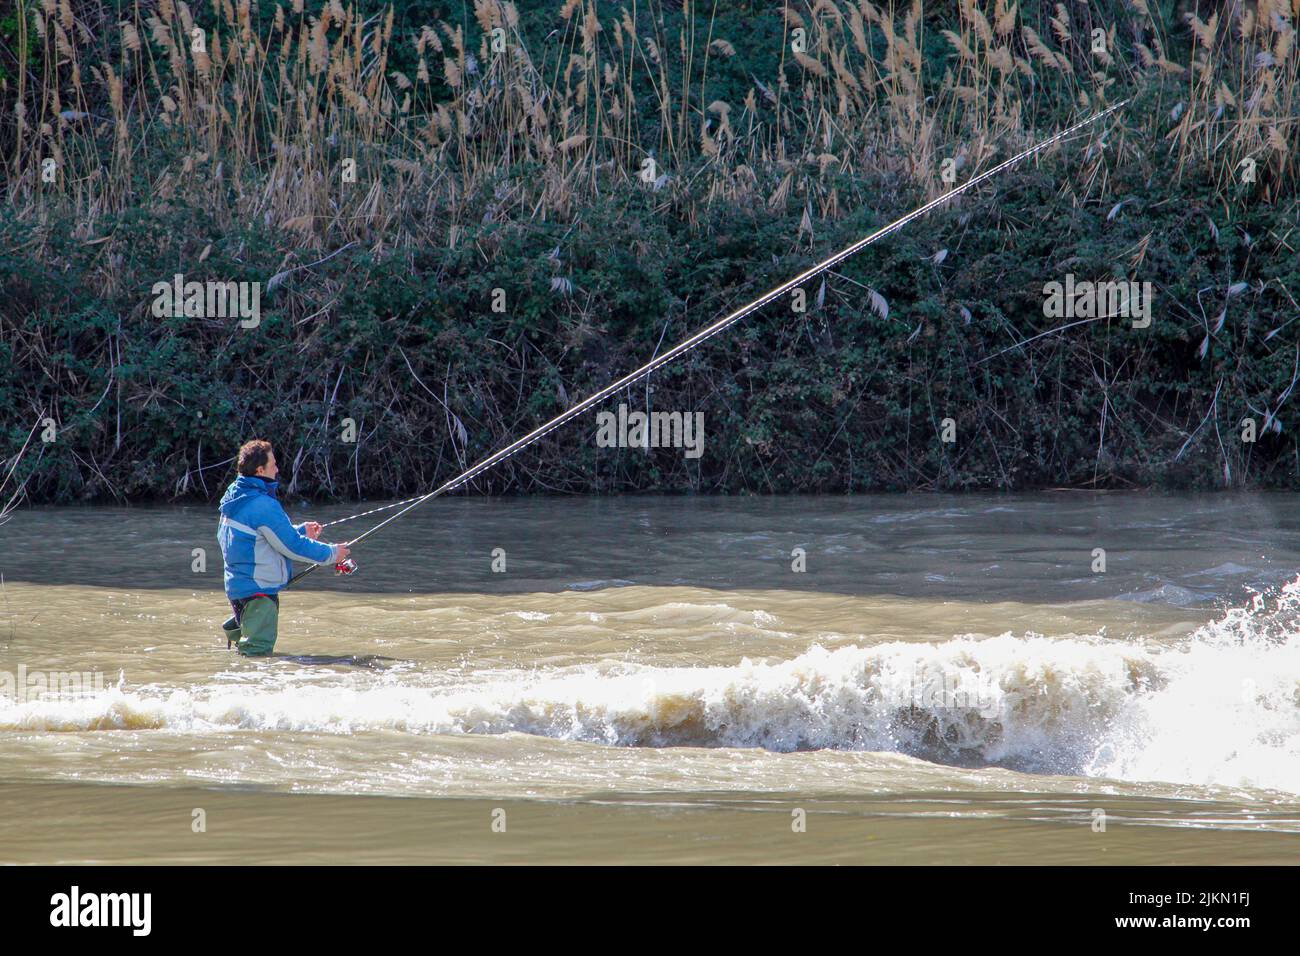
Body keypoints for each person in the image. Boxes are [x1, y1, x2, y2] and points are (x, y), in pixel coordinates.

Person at [217, 439, 350, 656]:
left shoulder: (235, 496)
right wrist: (333, 553)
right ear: (260, 470)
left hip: (239, 590)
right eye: (273, 464)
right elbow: (293, 547)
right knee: (257, 656)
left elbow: (257, 539)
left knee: (248, 655)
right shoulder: (262, 504)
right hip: (258, 592)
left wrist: (299, 530)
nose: (277, 469)